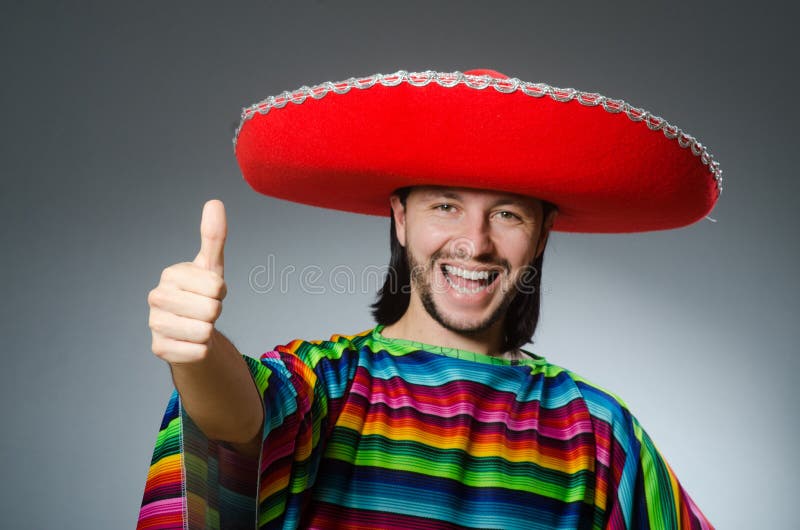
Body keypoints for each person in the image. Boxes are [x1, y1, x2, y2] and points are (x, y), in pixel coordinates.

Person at [138, 70, 720, 529]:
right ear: (400, 218)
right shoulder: (325, 384)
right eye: (446, 206)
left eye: (507, 215)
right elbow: (237, 424)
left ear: (542, 235)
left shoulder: (595, 429)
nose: (475, 242)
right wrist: (198, 355)